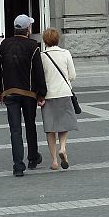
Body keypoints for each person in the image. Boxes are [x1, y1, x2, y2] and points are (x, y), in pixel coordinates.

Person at [0, 13, 46, 177]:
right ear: (28, 29)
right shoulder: (33, 46)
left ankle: (18, 166)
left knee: (15, 129)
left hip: (10, 92)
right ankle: (33, 158)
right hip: (29, 93)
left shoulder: (4, 45)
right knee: (30, 125)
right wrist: (41, 94)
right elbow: (38, 72)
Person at [39, 27, 77, 170]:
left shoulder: (42, 56)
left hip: (48, 95)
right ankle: (62, 148)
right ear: (58, 39)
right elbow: (72, 75)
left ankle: (54, 160)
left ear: (45, 41)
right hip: (64, 92)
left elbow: (40, 77)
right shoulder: (65, 53)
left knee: (50, 129)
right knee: (63, 124)